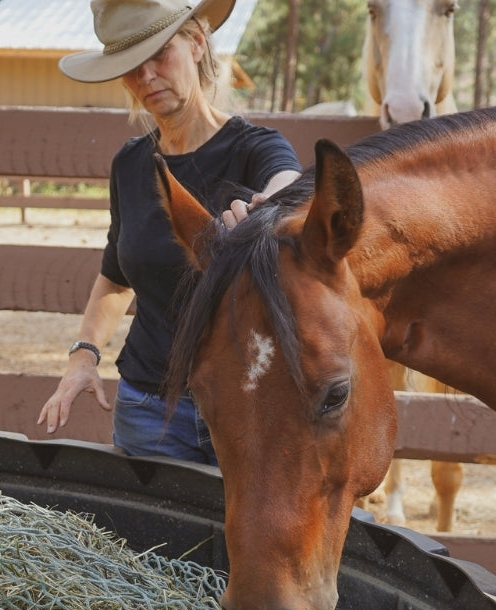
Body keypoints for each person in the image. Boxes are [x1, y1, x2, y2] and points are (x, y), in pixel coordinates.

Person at [37, 0, 301, 464]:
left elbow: (289, 184)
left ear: (197, 43)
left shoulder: (254, 149)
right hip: (148, 409)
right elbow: (116, 277)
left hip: (247, 406)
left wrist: (270, 207)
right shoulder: (130, 164)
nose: (147, 78)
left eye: (160, 55)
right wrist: (83, 357)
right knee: (153, 539)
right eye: (131, 68)